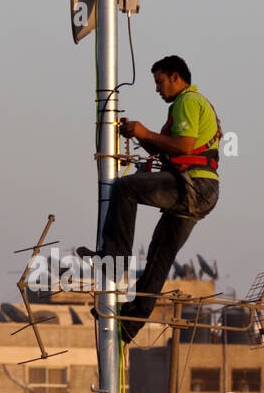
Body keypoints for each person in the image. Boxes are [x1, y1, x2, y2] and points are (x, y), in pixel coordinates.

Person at [86, 54, 221, 344]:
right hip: (200, 191)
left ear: (176, 77)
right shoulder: (187, 106)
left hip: (193, 185)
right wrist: (140, 136)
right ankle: (131, 322)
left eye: (160, 82)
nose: (158, 89)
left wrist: (145, 132)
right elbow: (169, 151)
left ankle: (113, 261)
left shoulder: (188, 101)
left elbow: (182, 145)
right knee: (160, 254)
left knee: (125, 188)